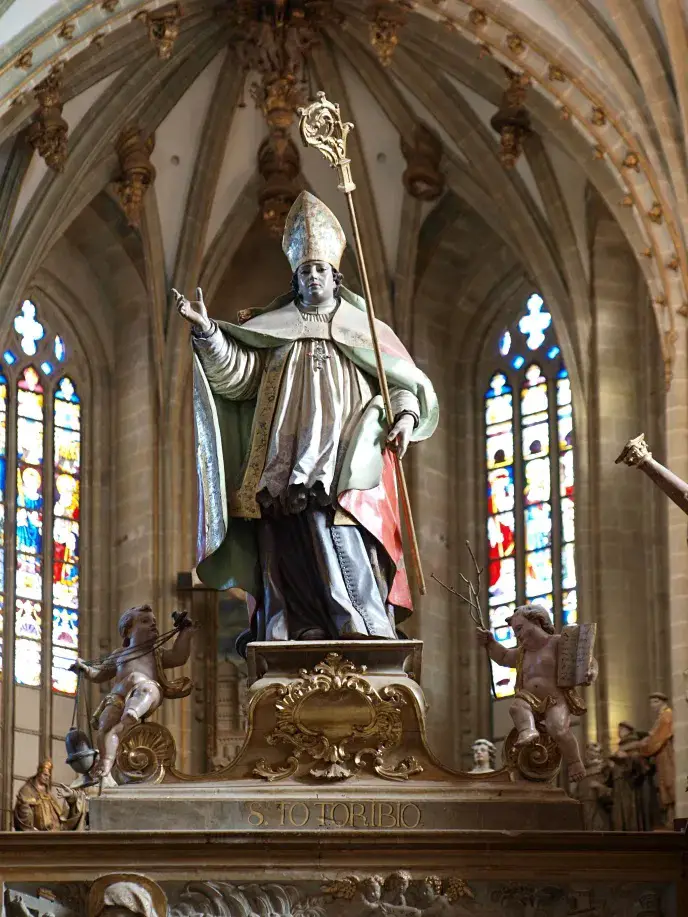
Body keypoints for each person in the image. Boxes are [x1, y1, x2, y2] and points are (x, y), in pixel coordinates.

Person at [176, 191, 438, 650]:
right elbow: (238, 378)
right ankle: (297, 623)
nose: (312, 276)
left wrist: (407, 417)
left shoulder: (367, 333)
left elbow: (398, 384)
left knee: (341, 525)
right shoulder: (275, 331)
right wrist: (208, 333)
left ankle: (358, 619)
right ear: (295, 280)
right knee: (286, 531)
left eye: (320, 269)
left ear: (336, 277)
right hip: (286, 456)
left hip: (345, 455)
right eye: (304, 271)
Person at [71, 605, 195, 784]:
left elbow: (178, 656)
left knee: (145, 687)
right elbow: (100, 674)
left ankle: (133, 712)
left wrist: (186, 633)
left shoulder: (156, 653)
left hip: (148, 691)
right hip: (118, 697)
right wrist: (85, 669)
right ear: (128, 631)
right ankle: (106, 762)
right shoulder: (119, 654)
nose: (153, 625)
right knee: (105, 727)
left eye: (154, 622)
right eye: (145, 622)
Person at [477, 604, 596, 781]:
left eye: (519, 628)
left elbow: (587, 659)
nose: (517, 635)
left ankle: (574, 762)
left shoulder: (557, 642)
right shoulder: (522, 653)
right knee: (517, 707)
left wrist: (591, 672)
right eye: (515, 631)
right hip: (529, 697)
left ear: (537, 621)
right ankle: (528, 730)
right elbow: (502, 657)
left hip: (555, 699)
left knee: (558, 729)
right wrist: (490, 642)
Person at [625, 692, 675, 829]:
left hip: (667, 753)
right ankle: (670, 818)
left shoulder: (667, 715)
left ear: (662, 701)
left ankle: (674, 818)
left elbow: (659, 737)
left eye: (655, 702)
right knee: (664, 785)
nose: (652, 705)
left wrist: (643, 747)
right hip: (661, 754)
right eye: (651, 702)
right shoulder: (660, 717)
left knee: (670, 783)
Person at [13, 759, 86, 831]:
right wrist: (32, 830)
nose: (47, 777)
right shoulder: (27, 790)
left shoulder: (48, 793)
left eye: (48, 776)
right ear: (39, 772)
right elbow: (24, 811)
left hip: (56, 832)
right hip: (40, 835)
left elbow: (61, 816)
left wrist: (71, 798)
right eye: (45, 775)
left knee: (78, 802)